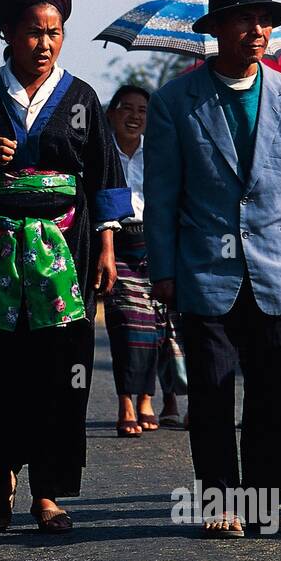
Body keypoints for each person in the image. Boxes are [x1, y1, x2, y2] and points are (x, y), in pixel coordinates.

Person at [0, 0, 131, 534]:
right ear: (8, 34)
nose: (44, 43)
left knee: (60, 372)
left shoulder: (82, 98)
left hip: (67, 255)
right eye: (33, 31)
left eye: (55, 31)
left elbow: (106, 177)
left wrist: (108, 249)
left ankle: (48, 491)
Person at [144, 0, 281, 538]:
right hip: (205, 273)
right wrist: (163, 270)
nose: (256, 30)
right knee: (211, 394)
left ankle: (266, 501)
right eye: (243, 20)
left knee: (274, 398)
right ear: (218, 29)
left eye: (263, 21)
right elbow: (161, 196)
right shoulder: (175, 102)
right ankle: (221, 501)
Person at [101, 84, 184, 436]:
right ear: (112, 113)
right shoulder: (103, 156)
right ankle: (125, 401)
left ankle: (149, 397)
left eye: (143, 110)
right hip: (116, 244)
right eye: (127, 108)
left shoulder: (159, 154)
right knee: (125, 323)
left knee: (157, 325)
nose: (135, 116)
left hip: (155, 243)